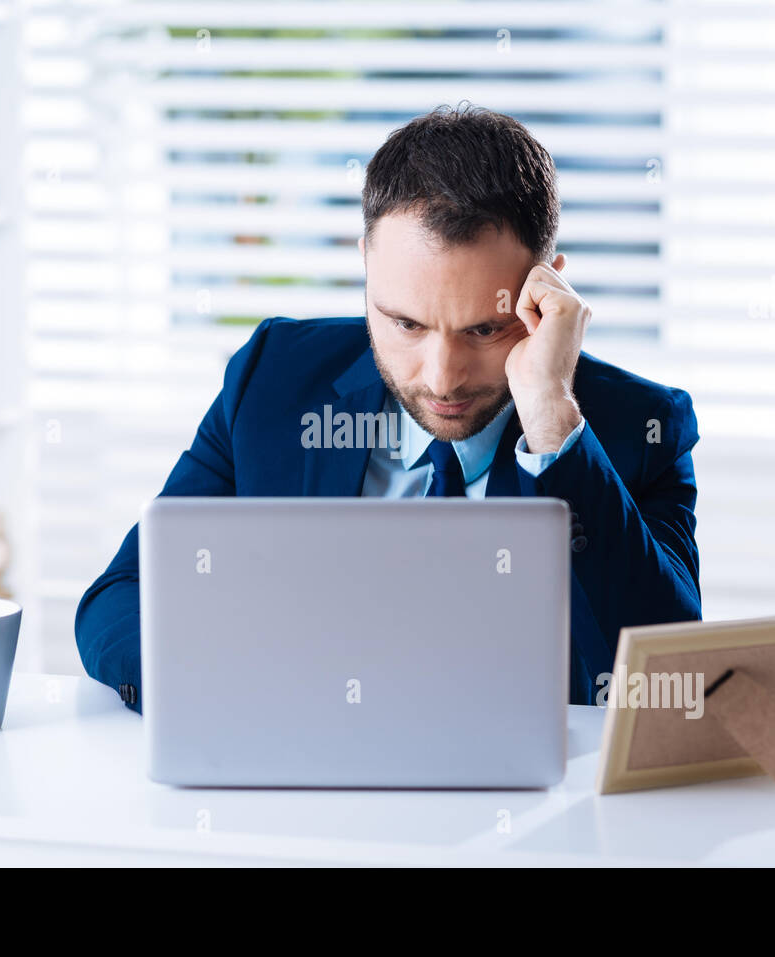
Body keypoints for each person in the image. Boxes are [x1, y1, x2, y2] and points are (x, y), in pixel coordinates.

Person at [76, 103, 701, 712]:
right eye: (405, 323)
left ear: (549, 291)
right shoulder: (274, 379)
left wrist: (551, 419)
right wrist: (247, 686)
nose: (442, 379)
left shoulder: (641, 431)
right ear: (366, 270)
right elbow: (121, 599)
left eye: (485, 329)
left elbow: (669, 685)